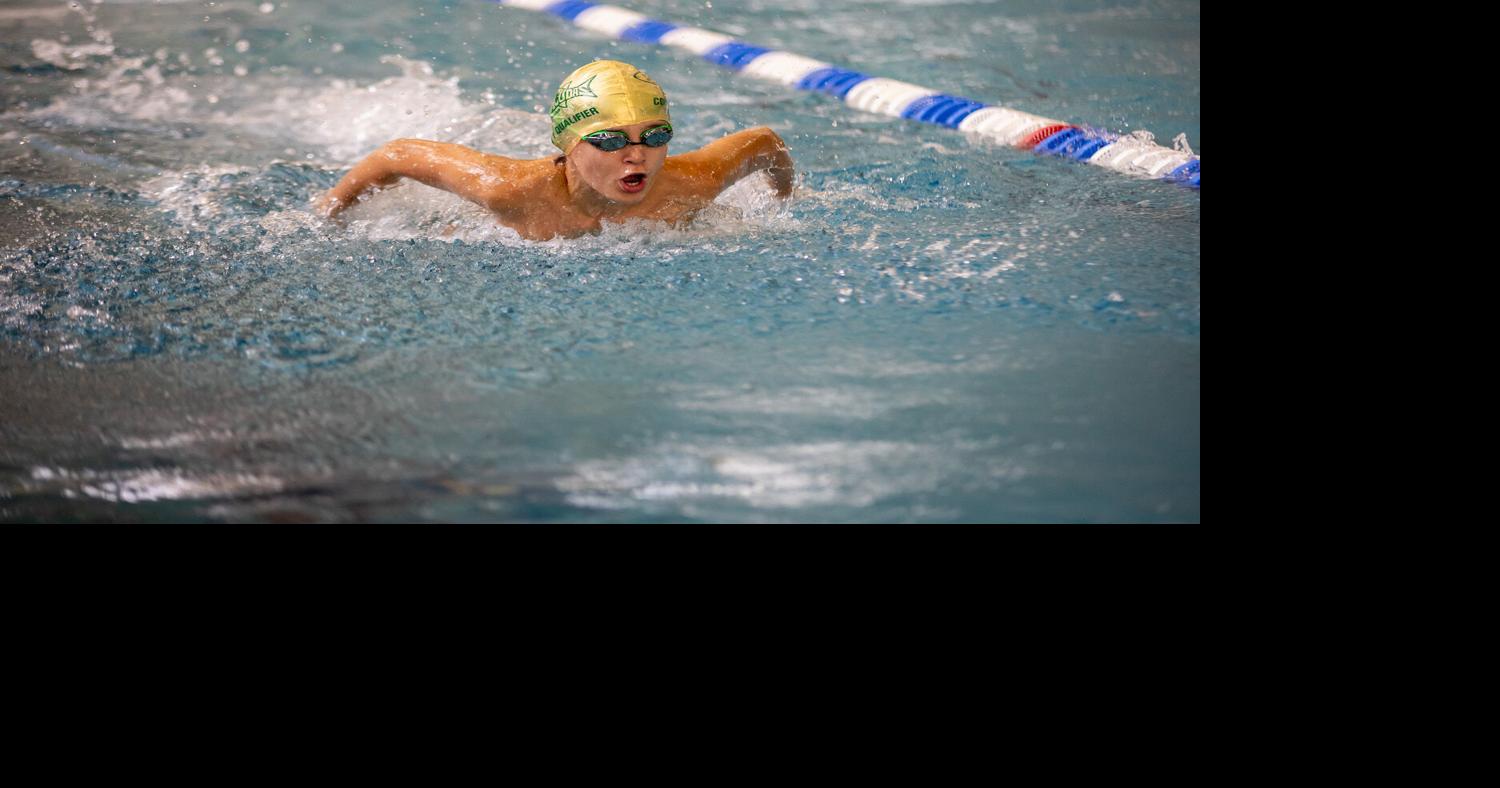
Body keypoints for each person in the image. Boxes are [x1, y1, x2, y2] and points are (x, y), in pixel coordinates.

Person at [316, 60, 795, 240]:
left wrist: (784, 204)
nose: (637, 156)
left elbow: (765, 143)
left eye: (653, 136)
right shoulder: (511, 192)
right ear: (567, 145)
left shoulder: (693, 184)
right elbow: (396, 153)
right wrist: (329, 213)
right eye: (609, 140)